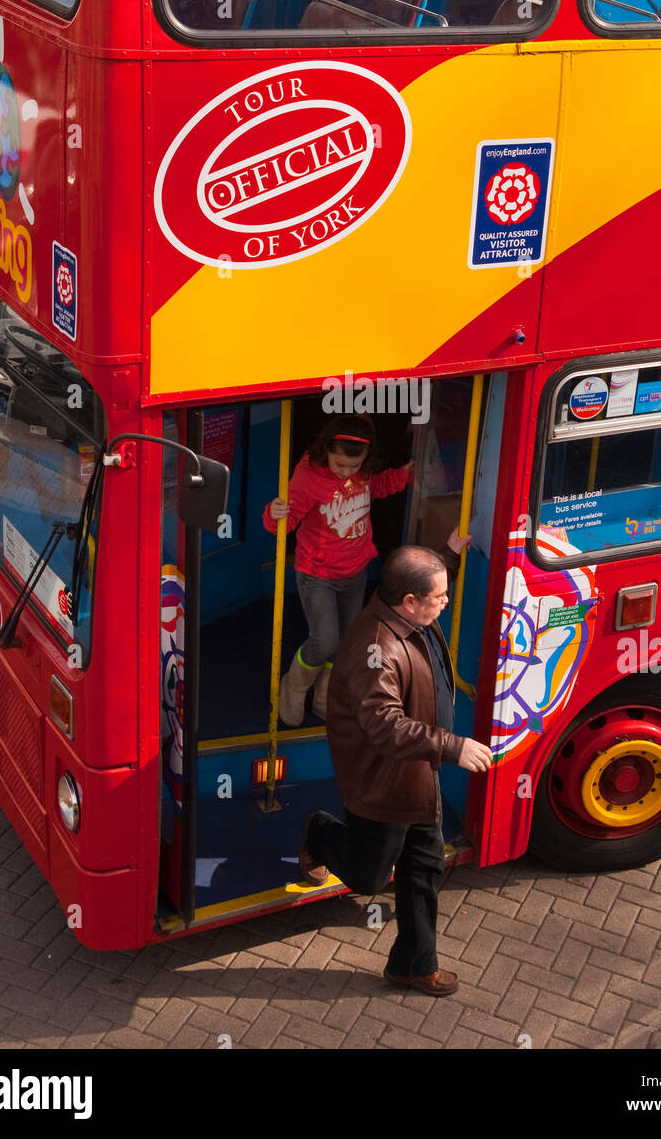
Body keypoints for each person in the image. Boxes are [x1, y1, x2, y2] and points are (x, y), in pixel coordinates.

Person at [299, 537, 493, 997]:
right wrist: (452, 746)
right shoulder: (377, 649)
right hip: (384, 782)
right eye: (439, 597)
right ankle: (319, 834)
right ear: (410, 602)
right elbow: (384, 726)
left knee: (423, 870)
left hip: (419, 777)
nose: (445, 603)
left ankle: (412, 964)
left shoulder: (408, 614)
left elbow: (427, 578)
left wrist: (446, 554)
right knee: (368, 878)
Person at [263, 415, 412, 726]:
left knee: (344, 641)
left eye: (353, 467)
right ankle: (293, 686)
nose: (346, 473)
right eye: (339, 465)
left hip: (355, 571)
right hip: (317, 574)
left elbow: (377, 486)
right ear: (325, 450)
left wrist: (404, 476)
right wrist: (274, 513)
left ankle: (324, 696)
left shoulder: (364, 471)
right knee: (324, 640)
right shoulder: (308, 477)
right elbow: (285, 523)